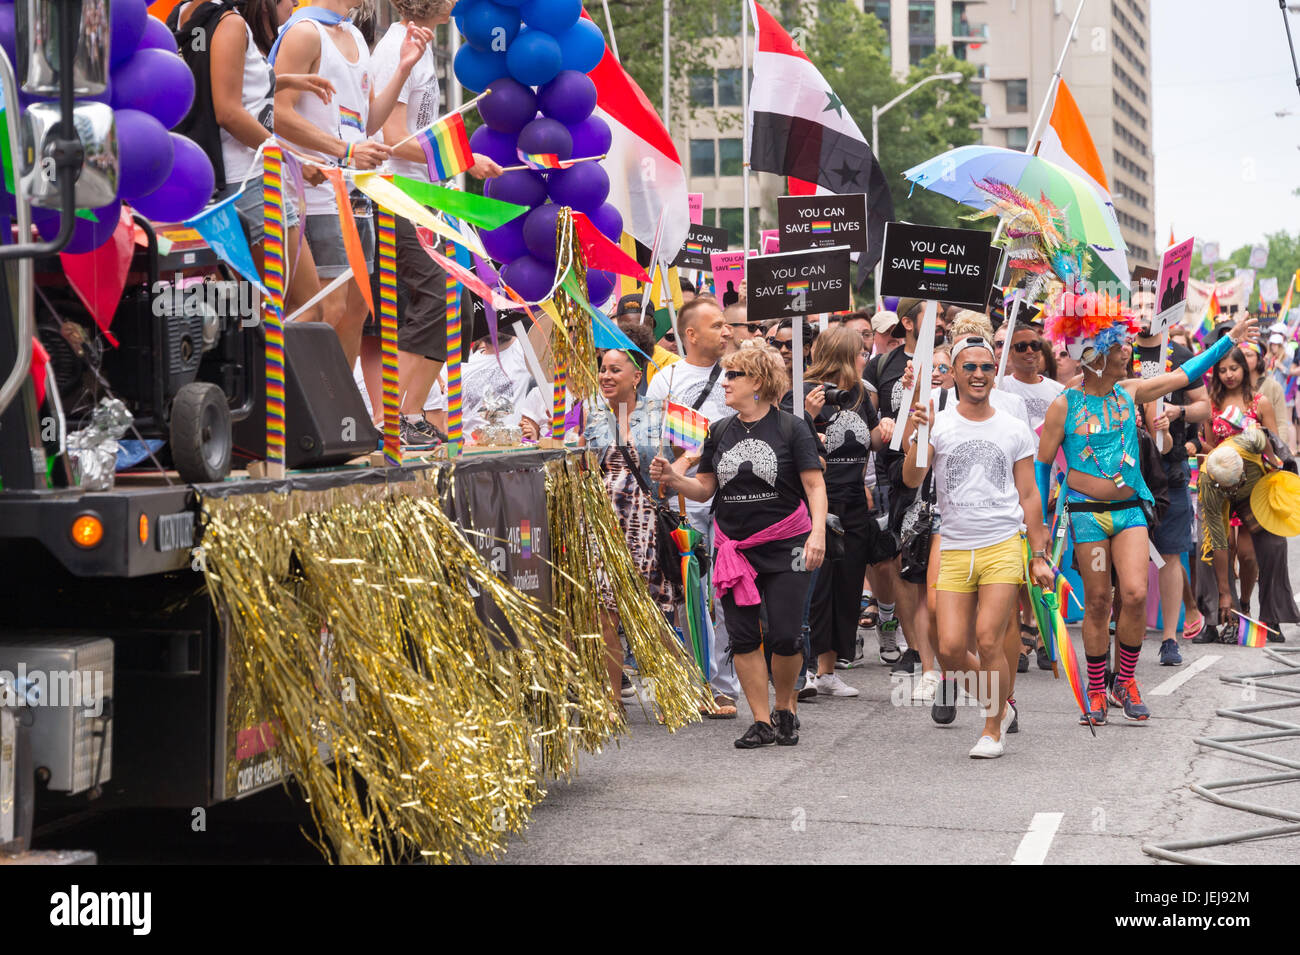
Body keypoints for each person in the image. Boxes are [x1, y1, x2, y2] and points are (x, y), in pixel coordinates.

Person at [1039, 296, 1257, 725]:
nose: (1128, 352)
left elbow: (1184, 374)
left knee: (1135, 594)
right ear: (1093, 355)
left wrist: (1225, 341)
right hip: (1085, 515)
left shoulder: (1132, 391)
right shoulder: (1064, 405)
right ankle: (1097, 691)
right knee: (1099, 601)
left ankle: (1127, 681)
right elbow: (1042, 468)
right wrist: (1044, 530)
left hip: (1130, 512)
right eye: (1119, 346)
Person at [651, 343, 828, 748]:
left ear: (759, 383)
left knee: (785, 636)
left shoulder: (792, 427)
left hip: (789, 544)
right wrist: (675, 480)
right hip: (735, 549)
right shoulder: (719, 430)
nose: (725, 382)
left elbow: (814, 484)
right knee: (744, 636)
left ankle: (786, 707)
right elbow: (705, 489)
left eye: (734, 375)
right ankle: (763, 721)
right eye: (726, 374)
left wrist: (817, 532)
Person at [902, 337, 1054, 758]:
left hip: (1002, 544)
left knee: (989, 639)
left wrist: (1038, 555)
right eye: (969, 367)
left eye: (986, 367)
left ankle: (991, 729)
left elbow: (1029, 494)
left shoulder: (1013, 427)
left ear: (994, 374)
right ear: (954, 373)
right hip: (953, 547)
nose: (978, 375)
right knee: (950, 648)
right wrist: (920, 434)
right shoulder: (941, 421)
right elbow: (912, 480)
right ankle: (999, 704)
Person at [272, 1, 432, 368]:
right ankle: (301, 409)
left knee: (357, 309)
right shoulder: (304, 32)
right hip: (314, 191)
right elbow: (276, 114)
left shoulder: (355, 35)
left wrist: (404, 69)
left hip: (356, 190)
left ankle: (335, 409)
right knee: (328, 307)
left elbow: (369, 121)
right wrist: (345, 150)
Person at [373, 0, 502, 449]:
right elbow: (392, 139)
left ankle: (406, 413)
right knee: (436, 295)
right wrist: (464, 157)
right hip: (397, 193)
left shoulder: (421, 46)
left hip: (421, 195)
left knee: (454, 302)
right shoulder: (399, 46)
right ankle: (398, 416)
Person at [172, 0, 331, 317]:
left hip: (219, 185)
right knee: (299, 308)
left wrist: (284, 81)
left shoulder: (186, 14)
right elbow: (229, 112)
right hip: (248, 182)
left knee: (252, 314)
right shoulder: (229, 22)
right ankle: (268, 368)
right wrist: (295, 157)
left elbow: (212, 80)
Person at [644, 297, 738, 716]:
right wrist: (673, 471)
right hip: (689, 501)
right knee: (693, 594)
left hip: (738, 499)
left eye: (726, 324)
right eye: (717, 325)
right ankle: (700, 682)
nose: (727, 331)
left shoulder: (740, 373)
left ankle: (725, 685)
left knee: (731, 592)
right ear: (691, 334)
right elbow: (656, 439)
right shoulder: (666, 380)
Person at [786, 326, 885, 692]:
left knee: (847, 582)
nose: (865, 357)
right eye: (859, 352)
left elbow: (873, 441)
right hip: (817, 496)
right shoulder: (802, 392)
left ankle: (828, 671)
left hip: (854, 497)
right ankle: (806, 667)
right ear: (842, 355)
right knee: (818, 583)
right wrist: (809, 417)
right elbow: (787, 441)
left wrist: (890, 422)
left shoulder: (859, 393)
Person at [581, 330, 676, 701]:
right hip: (602, 525)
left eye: (614, 369)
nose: (605, 376)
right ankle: (610, 699)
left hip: (646, 525)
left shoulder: (659, 412)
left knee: (653, 614)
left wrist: (672, 470)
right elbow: (583, 466)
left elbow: (696, 450)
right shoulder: (591, 413)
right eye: (603, 369)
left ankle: (675, 692)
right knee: (605, 614)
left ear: (636, 376)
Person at [1133, 288, 1211, 657]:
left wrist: (1178, 414)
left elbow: (1203, 406)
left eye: (1151, 305)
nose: (1144, 312)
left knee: (1171, 553)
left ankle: (1169, 637)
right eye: (1138, 305)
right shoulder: (1118, 352)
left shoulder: (1180, 356)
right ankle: (1122, 636)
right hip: (1124, 470)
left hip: (1170, 469)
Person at [864, 298, 934, 687]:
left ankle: (936, 645)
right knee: (900, 560)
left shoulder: (947, 361)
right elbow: (869, 418)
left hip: (937, 474)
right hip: (895, 475)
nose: (938, 320)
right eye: (929, 314)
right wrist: (887, 423)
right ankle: (914, 645)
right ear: (908, 322)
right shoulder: (884, 364)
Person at [1200, 341, 1279, 633]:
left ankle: (1246, 604)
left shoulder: (1260, 403)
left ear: (1244, 370)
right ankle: (1227, 609)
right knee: (1224, 548)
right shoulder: (1212, 404)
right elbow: (1208, 445)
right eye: (1222, 370)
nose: (1229, 375)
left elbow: (1274, 447)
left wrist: (1257, 438)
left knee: (1247, 554)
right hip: (1219, 487)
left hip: (1253, 488)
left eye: (1234, 368)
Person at [999, 319, 1064, 432]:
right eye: (1021, 347)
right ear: (1009, 353)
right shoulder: (999, 386)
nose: (1029, 351)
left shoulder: (1060, 391)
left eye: (1035, 345)